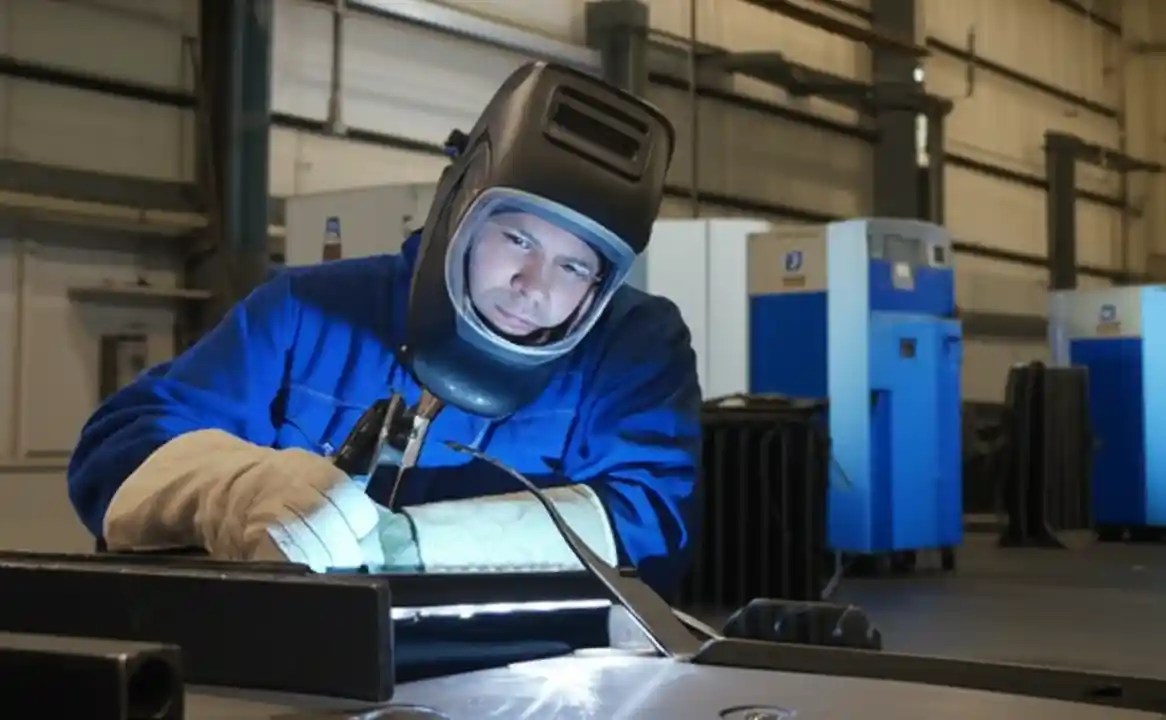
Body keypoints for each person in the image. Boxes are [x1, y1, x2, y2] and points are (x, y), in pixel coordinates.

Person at [65, 61, 702, 598]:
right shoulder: (304, 312)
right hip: (302, 671)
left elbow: (648, 527)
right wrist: (232, 491)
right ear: (461, 207)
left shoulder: (632, 349)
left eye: (573, 266)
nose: (534, 286)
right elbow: (120, 449)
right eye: (517, 238)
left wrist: (409, 548)